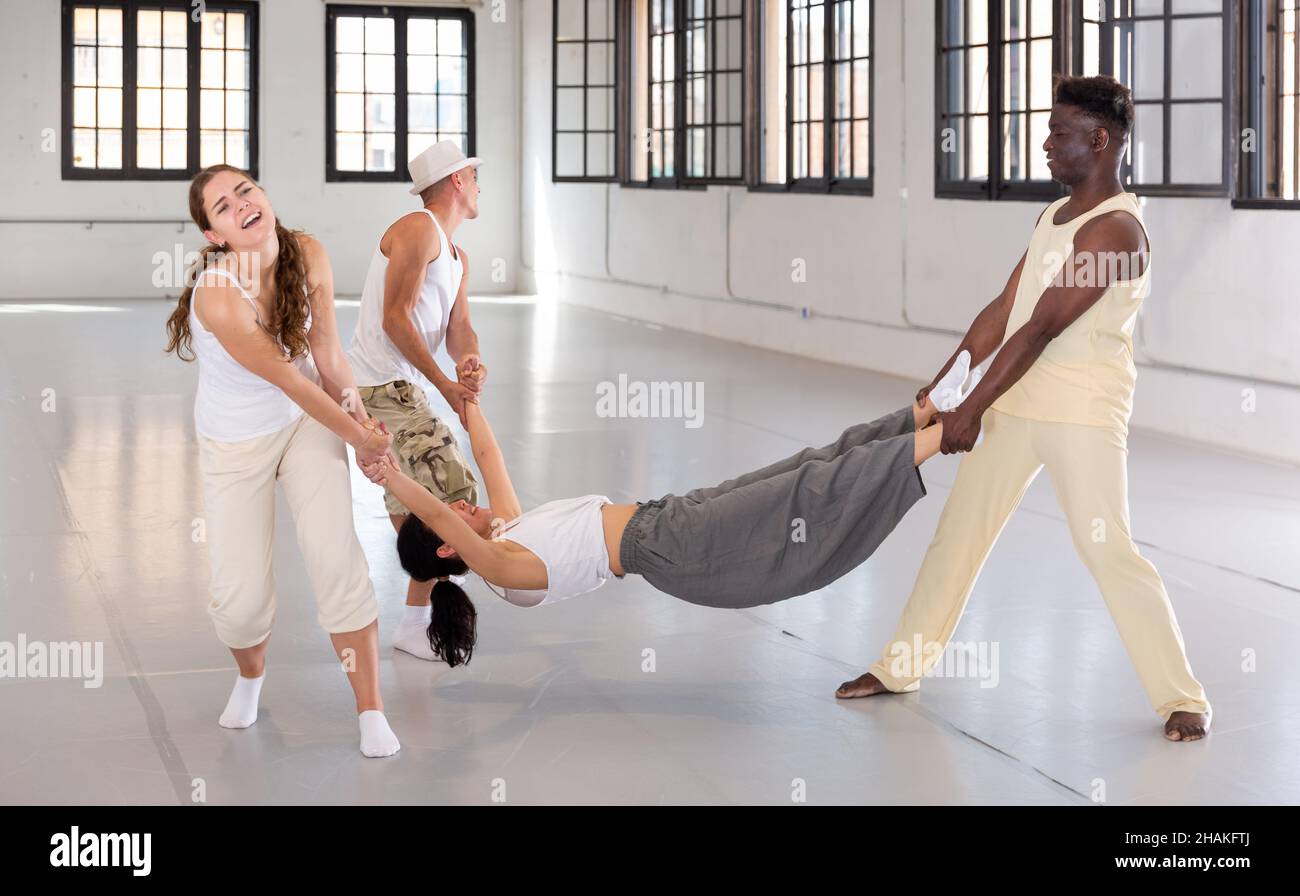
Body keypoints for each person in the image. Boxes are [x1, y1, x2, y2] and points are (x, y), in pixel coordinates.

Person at [834, 76, 1211, 742]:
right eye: (1049, 130)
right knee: (960, 534)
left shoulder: (1115, 232)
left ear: (1100, 141)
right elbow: (1004, 311)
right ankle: (900, 667)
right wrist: (942, 386)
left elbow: (1039, 328)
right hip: (1017, 396)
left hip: (1082, 413)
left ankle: (1182, 697)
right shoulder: (1054, 218)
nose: (1045, 144)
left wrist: (970, 411)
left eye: (1059, 132)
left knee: (1108, 550)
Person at [356, 362, 979, 668]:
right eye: (452, 518)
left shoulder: (510, 532)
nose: (463, 503)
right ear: (446, 545)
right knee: (806, 494)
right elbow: (440, 507)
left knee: (802, 467)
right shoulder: (504, 571)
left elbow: (487, 454)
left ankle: (920, 416)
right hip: (671, 548)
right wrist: (392, 480)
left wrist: (469, 399)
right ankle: (948, 433)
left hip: (668, 517)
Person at [165, 164, 401, 758]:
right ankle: (249, 676)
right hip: (236, 441)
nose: (240, 203)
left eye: (245, 190)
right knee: (239, 602)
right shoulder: (218, 295)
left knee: (336, 557)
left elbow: (326, 357)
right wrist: (360, 438)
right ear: (214, 235)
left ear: (264, 196)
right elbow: (285, 379)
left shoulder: (309, 253)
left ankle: (371, 709)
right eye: (222, 206)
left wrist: (361, 421)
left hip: (303, 427)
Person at [347, 140, 487, 662]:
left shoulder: (456, 255)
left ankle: (413, 621)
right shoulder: (415, 229)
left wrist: (468, 362)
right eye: (473, 177)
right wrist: (444, 387)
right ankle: (419, 617)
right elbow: (394, 317)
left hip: (397, 388)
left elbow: (460, 327)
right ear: (456, 181)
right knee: (453, 493)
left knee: (413, 500)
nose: (478, 187)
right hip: (382, 388)